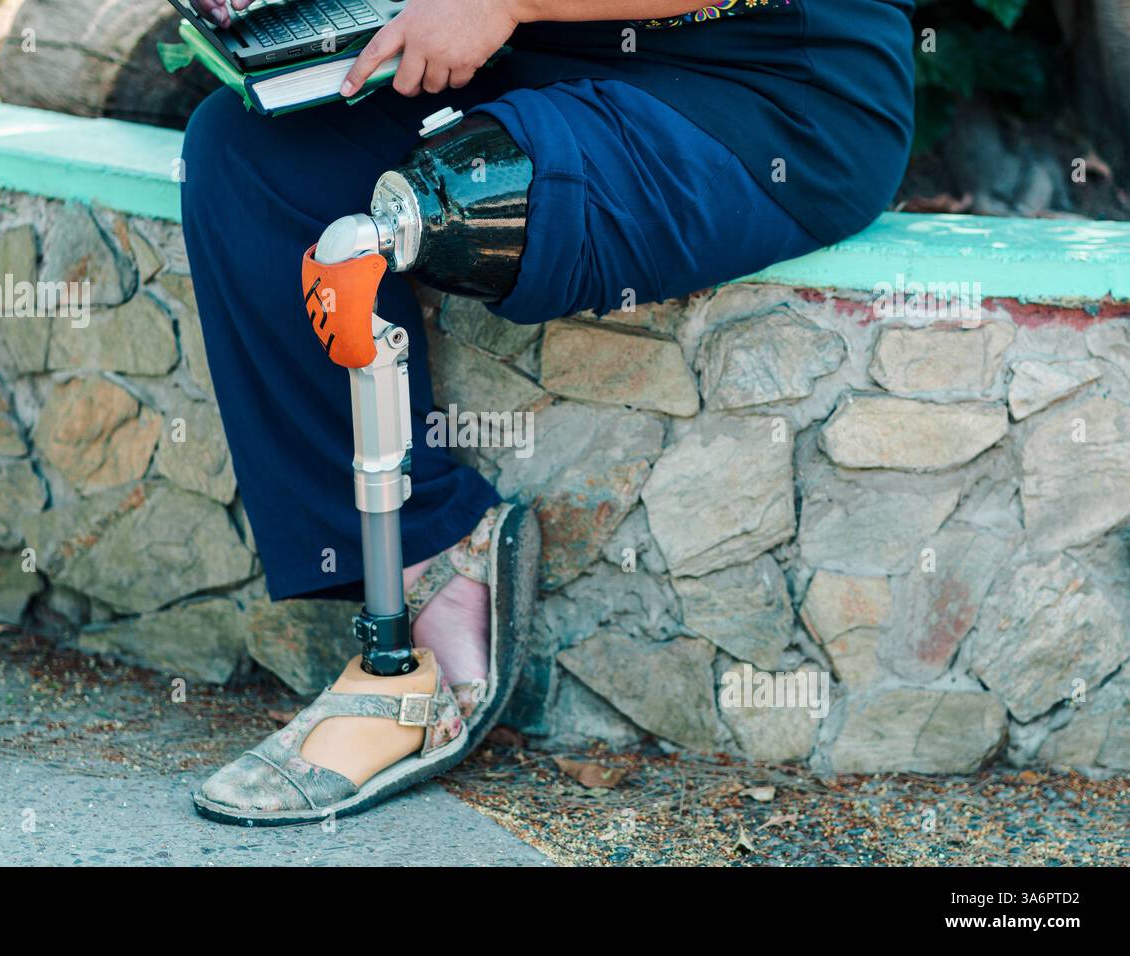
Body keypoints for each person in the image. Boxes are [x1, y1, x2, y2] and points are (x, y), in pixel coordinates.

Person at [180, 0, 915, 825]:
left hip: (759, 90)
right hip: (538, 49)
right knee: (250, 158)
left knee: (466, 192)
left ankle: (410, 650)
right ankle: (431, 561)